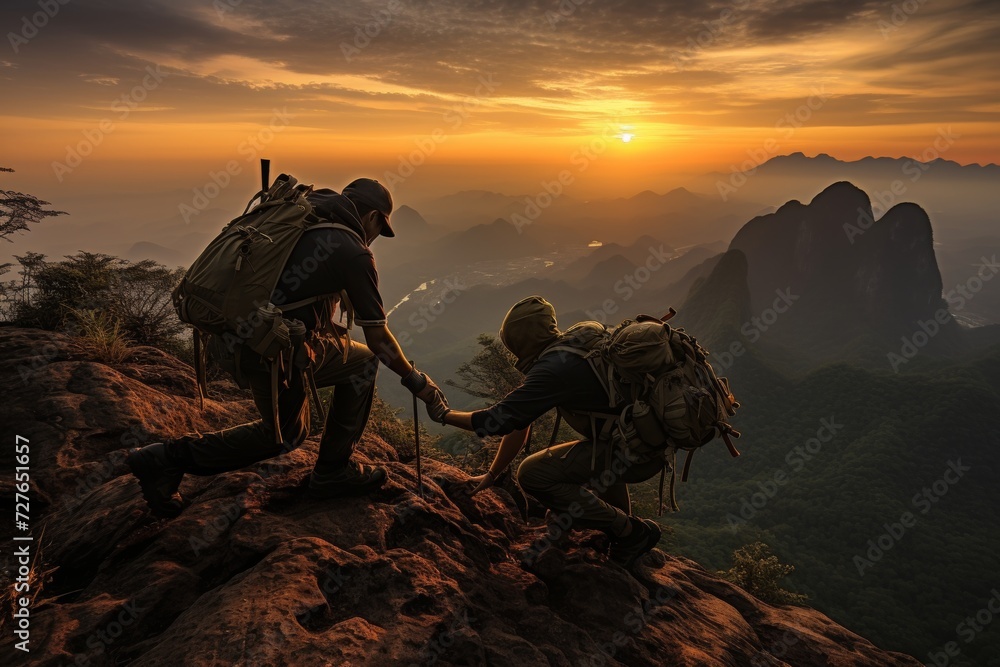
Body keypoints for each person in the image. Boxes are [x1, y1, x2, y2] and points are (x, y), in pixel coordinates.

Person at [128, 178, 448, 518]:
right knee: (283, 435)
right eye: (378, 228)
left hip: (242, 336)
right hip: (267, 348)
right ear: (372, 216)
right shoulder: (354, 252)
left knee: (361, 364)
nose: (374, 238)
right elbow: (378, 337)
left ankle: (333, 469)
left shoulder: (304, 213)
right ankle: (166, 457)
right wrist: (417, 382)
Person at [426, 295, 665, 569]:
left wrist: (444, 414)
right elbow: (519, 421)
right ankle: (626, 536)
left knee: (532, 474)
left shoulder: (554, 369)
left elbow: (497, 421)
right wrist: (493, 474)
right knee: (599, 453)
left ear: (520, 340)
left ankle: (630, 531)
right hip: (641, 445)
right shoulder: (580, 338)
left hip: (635, 454)